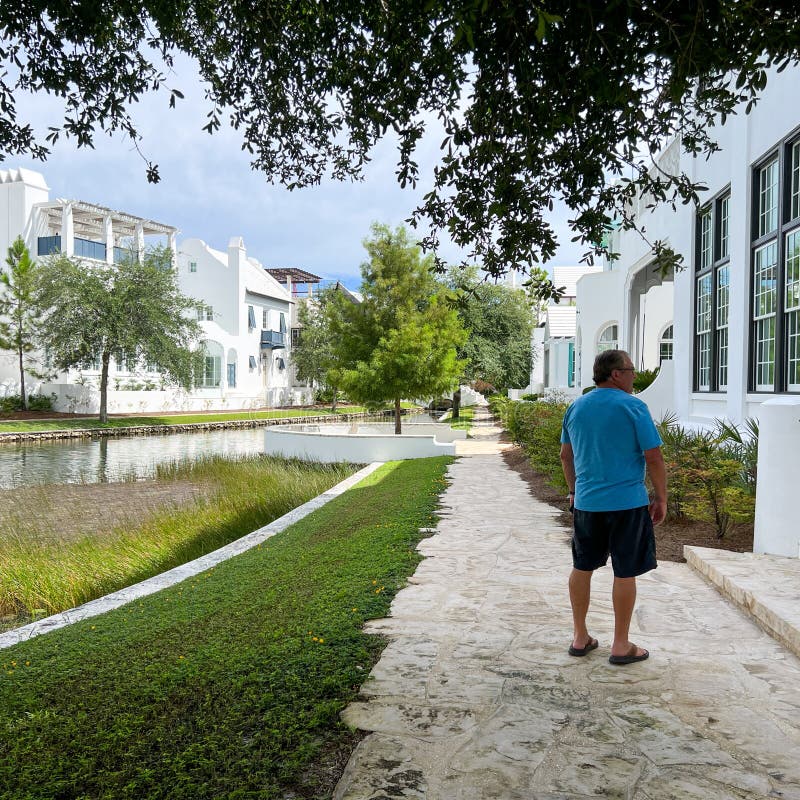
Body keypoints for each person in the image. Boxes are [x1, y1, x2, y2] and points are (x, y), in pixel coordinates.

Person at [559, 349, 667, 665]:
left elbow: (566, 456)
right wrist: (661, 497)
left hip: (587, 504)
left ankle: (580, 637)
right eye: (631, 370)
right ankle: (620, 645)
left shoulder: (575, 407)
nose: (634, 375)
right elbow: (654, 457)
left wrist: (573, 492)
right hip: (628, 506)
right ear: (616, 373)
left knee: (582, 566)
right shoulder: (634, 407)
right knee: (625, 571)